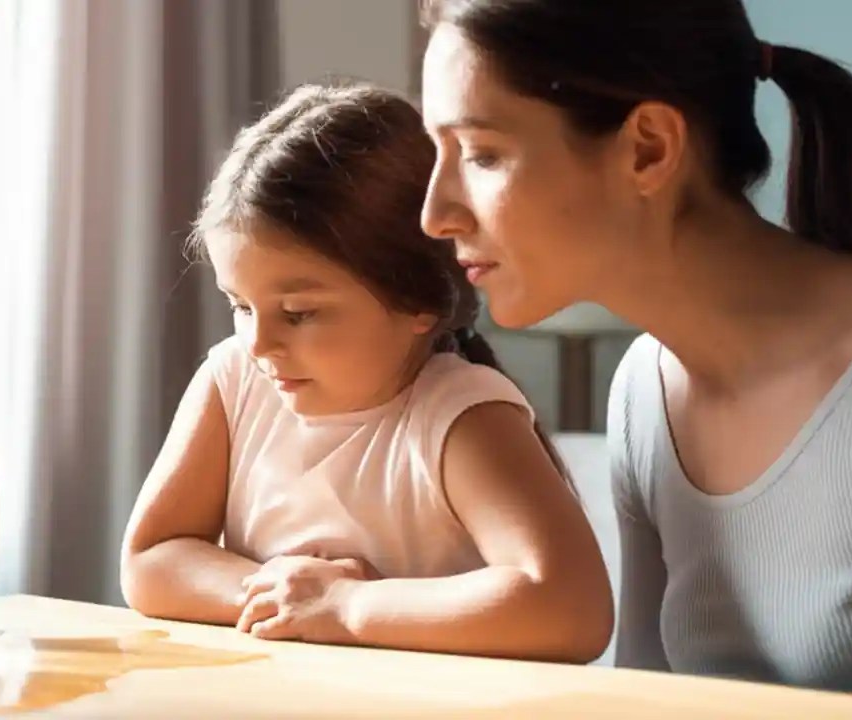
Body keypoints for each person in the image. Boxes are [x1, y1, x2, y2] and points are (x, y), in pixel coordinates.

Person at [418, 0, 852, 703]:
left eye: (482, 154)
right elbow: (647, 699)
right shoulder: (645, 391)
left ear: (647, 147)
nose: (435, 212)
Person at [119, 82, 613, 662]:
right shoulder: (234, 382)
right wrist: (284, 596)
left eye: (300, 313)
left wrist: (346, 607)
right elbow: (151, 558)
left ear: (417, 302)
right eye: (240, 306)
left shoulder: (459, 415)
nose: (258, 342)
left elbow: (570, 609)